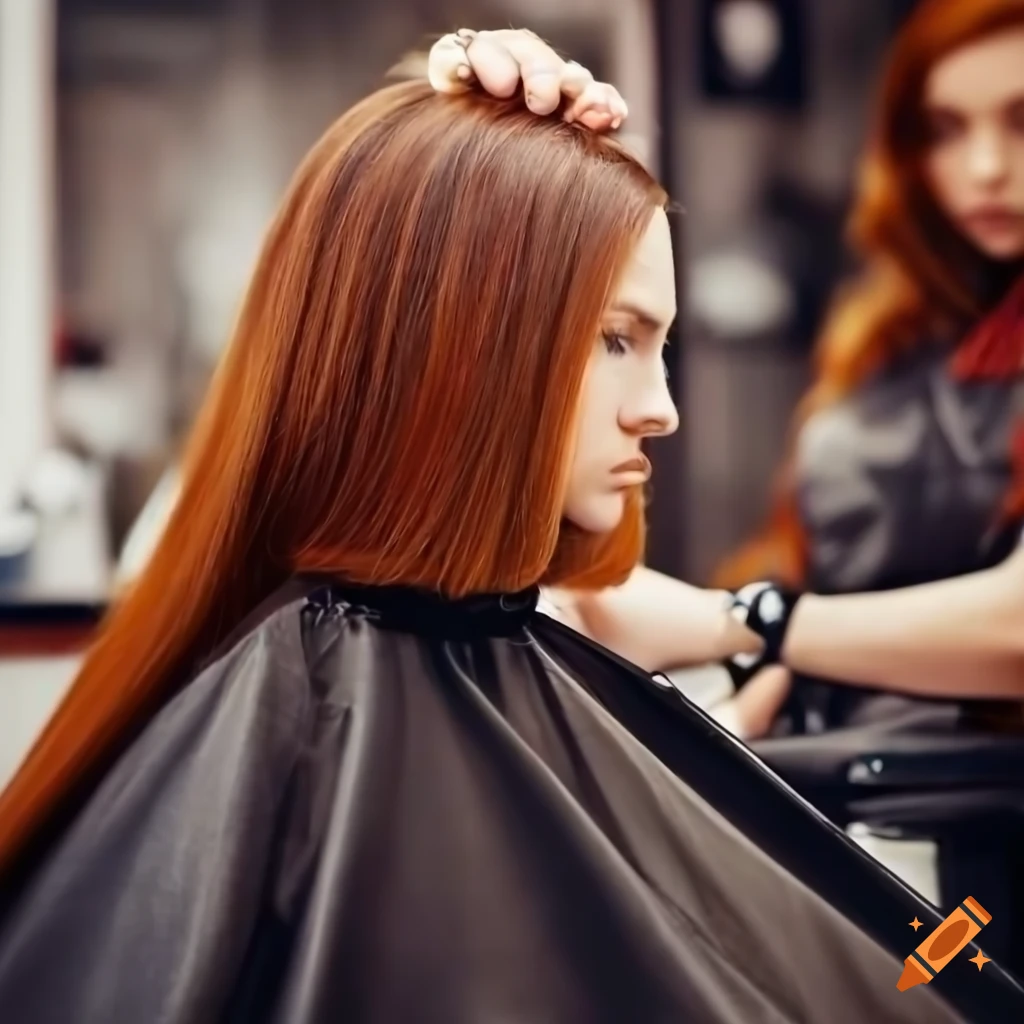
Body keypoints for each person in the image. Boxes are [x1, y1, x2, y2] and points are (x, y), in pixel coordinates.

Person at [0, 27, 1014, 1024]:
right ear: (463, 341)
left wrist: (682, 730)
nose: (660, 408)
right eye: (617, 339)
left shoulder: (409, 679)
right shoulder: (896, 342)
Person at [688, 0, 1024, 735]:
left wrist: (751, 623)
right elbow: (811, 557)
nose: (987, 168)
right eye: (945, 130)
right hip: (842, 765)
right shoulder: (891, 323)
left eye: (1021, 121)